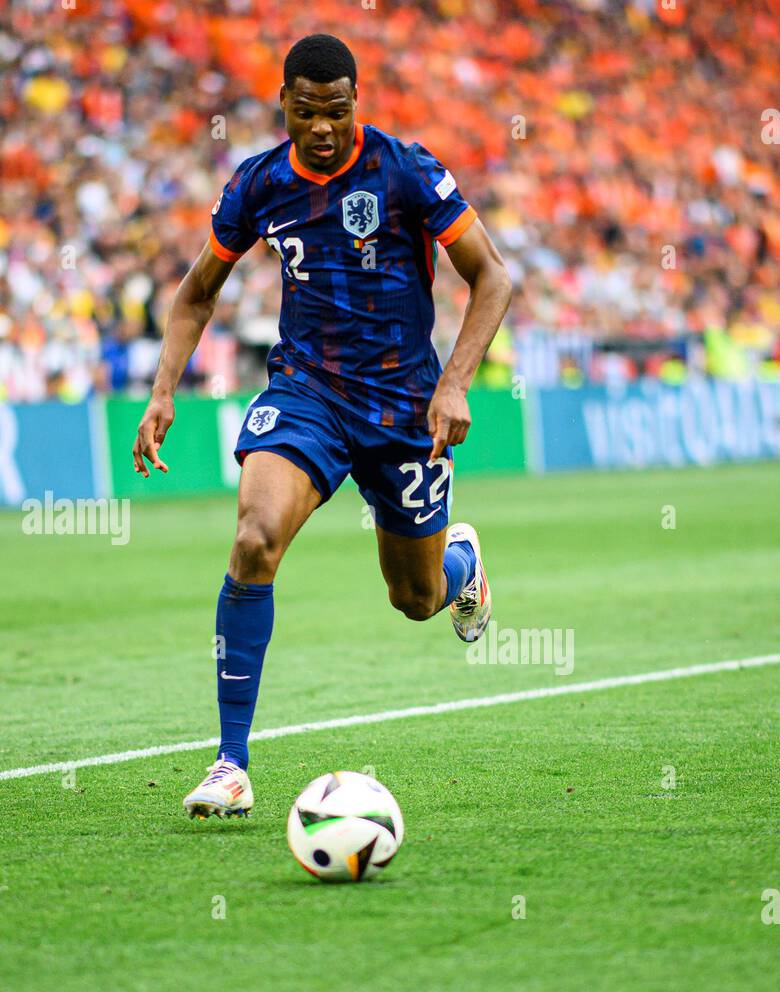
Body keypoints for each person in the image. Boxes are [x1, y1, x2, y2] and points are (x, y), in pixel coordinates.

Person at [131, 34, 512, 819]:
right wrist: (163, 390)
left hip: (406, 409)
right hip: (307, 395)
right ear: (285, 107)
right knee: (253, 538)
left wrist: (454, 385)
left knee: (412, 598)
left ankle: (461, 564)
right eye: (307, 113)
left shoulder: (403, 168)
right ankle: (230, 764)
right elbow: (198, 291)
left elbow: (492, 276)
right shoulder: (259, 184)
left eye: (337, 111)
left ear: (355, 103)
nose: (324, 128)